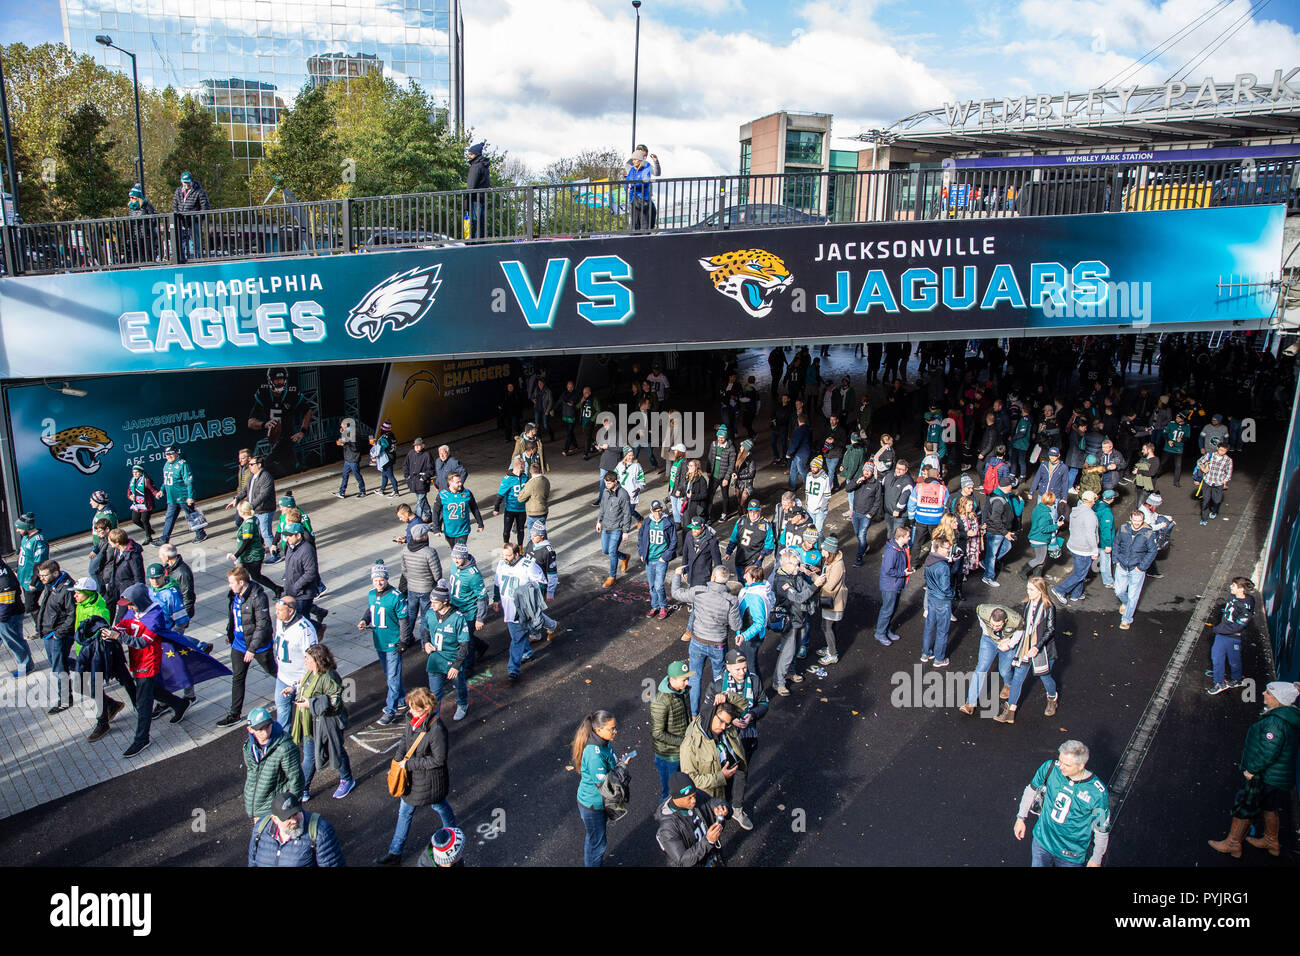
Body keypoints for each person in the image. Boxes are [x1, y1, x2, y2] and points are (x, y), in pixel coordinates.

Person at [1208, 681, 1300, 858]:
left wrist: (1252, 769)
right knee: (1269, 807)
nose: (1264, 693)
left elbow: (1268, 752)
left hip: (1266, 776)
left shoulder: (1275, 723)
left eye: (1269, 693)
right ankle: (1271, 842)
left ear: (1278, 699)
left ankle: (1233, 844)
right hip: (1278, 777)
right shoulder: (1289, 716)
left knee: (1245, 806)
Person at [109, 583, 193, 756]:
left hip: (148, 662)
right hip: (137, 660)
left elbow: (142, 642)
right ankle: (179, 704)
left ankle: (141, 739)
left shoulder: (154, 615)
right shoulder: (136, 610)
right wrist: (115, 629)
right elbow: (125, 624)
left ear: (139, 601)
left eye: (131, 604)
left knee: (143, 701)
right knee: (151, 690)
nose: (129, 608)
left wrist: (119, 636)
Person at [376, 686, 456, 865]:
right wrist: (396, 763)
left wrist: (408, 764)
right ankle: (395, 851)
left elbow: (438, 760)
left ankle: (452, 835)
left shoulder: (437, 729)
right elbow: (405, 741)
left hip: (429, 782)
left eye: (414, 708)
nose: (410, 711)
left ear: (426, 709)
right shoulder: (413, 720)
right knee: (411, 811)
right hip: (415, 780)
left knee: (438, 807)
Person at [1013, 739, 1111, 866]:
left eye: (1067, 765)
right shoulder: (1050, 767)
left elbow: (1101, 828)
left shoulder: (1097, 792)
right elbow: (1031, 790)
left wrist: (1096, 858)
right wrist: (1020, 817)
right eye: (1060, 761)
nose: (1061, 767)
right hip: (1042, 843)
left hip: (1070, 855)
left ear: (1081, 765)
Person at [672, 565, 741, 714]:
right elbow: (736, 625)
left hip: (698, 641)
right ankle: (718, 712)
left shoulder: (699, 591)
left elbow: (676, 593)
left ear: (713, 578)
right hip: (718, 645)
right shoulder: (731, 600)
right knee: (719, 677)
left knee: (694, 678)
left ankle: (694, 714)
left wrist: (677, 575)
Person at [293, 643, 354, 800]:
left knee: (335, 750)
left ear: (318, 661)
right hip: (311, 724)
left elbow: (335, 702)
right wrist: (293, 690)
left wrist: (311, 704)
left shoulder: (329, 677)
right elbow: (305, 688)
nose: (305, 661)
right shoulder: (310, 673)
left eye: (308, 658)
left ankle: (347, 779)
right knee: (310, 756)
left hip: (327, 723)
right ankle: (303, 788)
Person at [217, 566, 276, 728]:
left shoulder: (258, 597)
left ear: (241, 582)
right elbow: (234, 617)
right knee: (238, 677)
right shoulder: (234, 595)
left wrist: (252, 649)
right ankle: (234, 713)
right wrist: (231, 634)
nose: (229, 586)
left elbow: (262, 624)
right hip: (239, 644)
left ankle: (293, 685)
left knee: (271, 670)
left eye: (231, 583)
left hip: (258, 646)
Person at [995, 577, 1059, 723]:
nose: (1028, 592)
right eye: (1028, 588)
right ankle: (1010, 710)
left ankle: (1052, 698)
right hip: (1025, 647)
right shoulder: (1028, 604)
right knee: (1017, 678)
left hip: (1042, 650)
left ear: (1040, 590)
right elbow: (1023, 627)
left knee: (1045, 677)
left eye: (1031, 589)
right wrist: (1011, 641)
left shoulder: (1049, 607)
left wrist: (1037, 647)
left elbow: (1050, 630)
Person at [680, 696, 750, 828]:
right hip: (707, 798)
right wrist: (721, 777)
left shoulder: (723, 725)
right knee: (709, 830)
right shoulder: (691, 744)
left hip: (724, 789)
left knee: (720, 823)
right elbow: (690, 780)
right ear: (712, 713)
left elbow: (743, 704)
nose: (723, 727)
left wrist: (726, 696)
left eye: (727, 724)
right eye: (721, 721)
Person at [492, 541, 553, 683]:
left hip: (521, 610)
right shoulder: (502, 564)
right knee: (517, 634)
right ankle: (527, 653)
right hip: (508, 609)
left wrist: (534, 599)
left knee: (516, 639)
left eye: (508, 555)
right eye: (504, 555)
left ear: (516, 554)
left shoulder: (528, 565)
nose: (505, 558)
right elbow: (496, 583)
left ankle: (513, 669)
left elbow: (542, 582)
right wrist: (496, 599)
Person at [359, 561, 411, 726]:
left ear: (387, 579)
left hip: (392, 643)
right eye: (375, 580)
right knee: (390, 675)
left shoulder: (396, 597)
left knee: (393, 676)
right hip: (379, 641)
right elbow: (371, 609)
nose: (378, 582)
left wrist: (404, 640)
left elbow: (404, 620)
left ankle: (391, 710)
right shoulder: (372, 594)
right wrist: (364, 619)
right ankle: (402, 699)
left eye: (381, 579)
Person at [572, 709, 620, 867]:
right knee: (597, 844)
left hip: (598, 802)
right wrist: (622, 771)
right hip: (593, 805)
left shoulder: (604, 742)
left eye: (614, 727)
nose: (615, 731)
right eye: (611, 729)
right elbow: (605, 785)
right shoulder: (594, 754)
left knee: (595, 838)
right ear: (598, 730)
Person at [248, 791, 345, 867]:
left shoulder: (320, 832)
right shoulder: (261, 827)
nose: (294, 821)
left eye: (296, 814)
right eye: (288, 818)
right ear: (274, 819)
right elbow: (252, 862)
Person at [772, 548, 821, 696]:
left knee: (796, 648)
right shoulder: (782, 581)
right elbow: (799, 597)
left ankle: (791, 672)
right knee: (787, 652)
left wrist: (813, 579)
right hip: (790, 620)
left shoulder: (796, 575)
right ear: (785, 565)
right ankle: (778, 682)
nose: (798, 567)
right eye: (795, 564)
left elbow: (807, 591)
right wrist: (815, 585)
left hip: (801, 616)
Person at [243, 706, 305, 819]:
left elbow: (296, 779)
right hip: (256, 809)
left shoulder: (285, 748)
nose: (265, 733)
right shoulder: (248, 747)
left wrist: (291, 809)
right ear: (250, 729)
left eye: (268, 726)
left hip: (277, 810)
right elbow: (251, 772)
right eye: (260, 729)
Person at [960, 603, 1022, 715]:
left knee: (1004, 670)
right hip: (989, 640)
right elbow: (979, 615)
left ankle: (1008, 684)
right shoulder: (982, 610)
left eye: (998, 626)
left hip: (1006, 642)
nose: (994, 627)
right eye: (992, 624)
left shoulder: (1016, 620)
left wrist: (1010, 644)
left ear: (1005, 621)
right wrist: (986, 631)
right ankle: (970, 703)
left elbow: (1021, 630)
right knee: (981, 668)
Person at [656, 771, 728, 867]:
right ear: (676, 798)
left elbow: (712, 801)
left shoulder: (695, 795)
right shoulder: (668, 828)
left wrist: (722, 808)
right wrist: (708, 841)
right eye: (689, 798)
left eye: (694, 795)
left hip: (711, 856)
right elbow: (682, 860)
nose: (694, 800)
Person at [424, 582, 471, 721]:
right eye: (431, 601)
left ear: (445, 602)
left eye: (435, 602)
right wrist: (426, 643)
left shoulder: (457, 618)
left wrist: (456, 666)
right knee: (435, 693)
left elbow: (464, 644)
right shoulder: (430, 614)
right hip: (435, 658)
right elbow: (426, 630)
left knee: (459, 685)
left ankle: (462, 704)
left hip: (452, 657)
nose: (432, 605)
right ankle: (434, 721)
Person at [34, 561, 77, 713]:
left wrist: (58, 634)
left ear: (55, 573)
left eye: (44, 575)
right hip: (48, 633)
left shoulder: (66, 590)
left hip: (58, 635)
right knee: (57, 662)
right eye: (40, 575)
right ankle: (85, 667)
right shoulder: (51, 584)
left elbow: (72, 616)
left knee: (58, 668)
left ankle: (65, 699)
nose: (41, 578)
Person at [271, 595, 317, 730]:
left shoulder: (304, 630)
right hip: (283, 677)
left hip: (300, 680)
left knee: (305, 719)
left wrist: (303, 682)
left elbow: (313, 660)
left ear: (290, 611)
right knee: (282, 715)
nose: (276, 613)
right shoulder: (280, 621)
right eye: (276, 610)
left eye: (280, 610)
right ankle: (284, 746)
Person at [650, 661, 694, 801]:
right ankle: (667, 819)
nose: (686, 683)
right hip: (669, 756)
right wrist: (683, 742)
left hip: (681, 751)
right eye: (683, 680)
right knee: (670, 793)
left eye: (687, 679)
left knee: (683, 788)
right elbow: (657, 733)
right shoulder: (660, 702)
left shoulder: (681, 691)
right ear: (672, 679)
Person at [1205, 577, 1256, 696]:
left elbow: (1238, 627)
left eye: (1233, 585)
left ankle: (1237, 679)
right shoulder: (1233, 596)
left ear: (1241, 589)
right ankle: (1219, 683)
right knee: (1216, 657)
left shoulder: (1246, 607)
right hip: (1222, 634)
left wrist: (1218, 628)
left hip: (1233, 637)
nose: (1230, 587)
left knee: (1234, 660)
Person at [1112, 509, 1158, 631]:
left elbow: (1152, 551)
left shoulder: (1148, 533)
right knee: (1119, 591)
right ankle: (1126, 604)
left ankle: (1126, 620)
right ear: (1130, 519)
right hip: (1121, 565)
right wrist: (1116, 560)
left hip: (1136, 569)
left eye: (1140, 521)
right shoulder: (1123, 528)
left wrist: (1141, 567)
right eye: (1135, 520)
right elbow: (1116, 543)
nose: (1137, 523)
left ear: (1143, 521)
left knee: (1133, 596)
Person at [1051, 490, 1098, 604]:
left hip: (1074, 544)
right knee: (1080, 574)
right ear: (1092, 501)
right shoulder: (1091, 516)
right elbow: (1090, 535)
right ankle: (1059, 590)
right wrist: (1094, 550)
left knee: (1081, 571)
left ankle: (1076, 594)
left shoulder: (1075, 511)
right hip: (1084, 549)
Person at [230, 501, 282, 597]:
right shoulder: (253, 519)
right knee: (249, 576)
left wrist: (236, 555)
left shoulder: (248, 524)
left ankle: (272, 589)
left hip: (252, 556)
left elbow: (246, 541)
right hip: (250, 554)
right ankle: (274, 589)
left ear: (242, 512)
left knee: (251, 576)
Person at [158, 445, 208, 545]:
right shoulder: (167, 464)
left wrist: (190, 496)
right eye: (167, 454)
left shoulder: (183, 464)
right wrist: (161, 490)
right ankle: (164, 539)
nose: (169, 456)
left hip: (183, 497)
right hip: (172, 498)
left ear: (176, 453)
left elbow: (189, 482)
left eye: (171, 453)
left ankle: (201, 534)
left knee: (192, 515)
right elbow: (166, 480)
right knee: (169, 517)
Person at [281, 522, 325, 628]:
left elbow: (311, 572)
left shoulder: (307, 550)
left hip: (303, 593)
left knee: (301, 620)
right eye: (286, 535)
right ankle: (318, 623)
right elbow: (289, 565)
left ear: (298, 535)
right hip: (292, 590)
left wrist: (296, 586)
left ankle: (318, 628)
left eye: (290, 535)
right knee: (298, 618)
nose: (287, 538)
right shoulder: (290, 547)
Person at [639, 501, 678, 619]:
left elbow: (674, 541)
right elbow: (640, 538)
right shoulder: (647, 522)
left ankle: (663, 606)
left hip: (661, 559)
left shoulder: (668, 523)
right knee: (651, 586)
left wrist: (664, 557)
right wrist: (641, 552)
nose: (658, 513)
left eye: (660, 510)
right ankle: (655, 606)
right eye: (655, 511)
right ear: (651, 511)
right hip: (649, 559)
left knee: (659, 585)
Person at [919, 538, 955, 668]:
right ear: (938, 548)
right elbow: (945, 587)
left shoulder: (929, 560)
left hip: (932, 597)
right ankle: (939, 658)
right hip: (942, 601)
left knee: (929, 626)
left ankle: (926, 653)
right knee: (942, 631)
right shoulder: (943, 566)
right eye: (946, 548)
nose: (949, 550)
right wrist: (953, 594)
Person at [874, 525, 912, 646]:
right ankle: (880, 633)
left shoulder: (900, 548)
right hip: (890, 585)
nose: (909, 538)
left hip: (896, 584)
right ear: (901, 537)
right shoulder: (892, 551)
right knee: (887, 610)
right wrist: (903, 573)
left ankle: (886, 629)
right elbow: (888, 570)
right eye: (908, 536)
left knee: (892, 609)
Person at [981, 476, 1022, 587]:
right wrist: (1005, 533)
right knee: (992, 555)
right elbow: (995, 519)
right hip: (996, 532)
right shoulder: (999, 500)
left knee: (1006, 547)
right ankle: (988, 576)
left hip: (1000, 530)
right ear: (1008, 487)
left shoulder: (1001, 494)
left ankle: (986, 563)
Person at [596, 472, 634, 589]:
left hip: (617, 528)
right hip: (606, 526)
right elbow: (602, 506)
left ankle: (612, 576)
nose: (606, 485)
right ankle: (624, 557)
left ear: (615, 482)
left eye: (609, 483)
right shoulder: (606, 492)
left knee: (612, 552)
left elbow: (627, 514)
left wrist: (625, 530)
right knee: (606, 550)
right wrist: (599, 521)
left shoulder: (623, 494)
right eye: (605, 483)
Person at [234, 455, 277, 556]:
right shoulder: (253, 476)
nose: (249, 466)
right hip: (256, 510)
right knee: (259, 533)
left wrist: (250, 506)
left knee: (266, 533)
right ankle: (265, 550)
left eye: (252, 464)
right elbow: (245, 489)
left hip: (264, 510)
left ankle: (275, 555)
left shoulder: (265, 477)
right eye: (249, 464)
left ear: (259, 465)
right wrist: (237, 498)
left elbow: (263, 495)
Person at [430, 471, 484, 550]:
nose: (460, 484)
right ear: (450, 483)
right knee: (454, 551)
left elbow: (474, 508)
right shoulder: (442, 495)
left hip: (463, 530)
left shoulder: (467, 493)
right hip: (449, 531)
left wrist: (480, 523)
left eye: (460, 481)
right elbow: (436, 512)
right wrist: (436, 528)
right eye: (457, 482)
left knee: (459, 552)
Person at [0, 557, 34, 678]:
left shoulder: (3, 577)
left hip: (8, 616)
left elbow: (7, 602)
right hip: (4, 614)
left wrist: (1, 619)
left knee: (14, 641)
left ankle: (26, 666)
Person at [817, 536, 847, 666]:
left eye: (824, 550)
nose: (822, 552)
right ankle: (830, 647)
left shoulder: (838, 565)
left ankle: (832, 654)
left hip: (833, 602)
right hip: (829, 600)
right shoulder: (829, 561)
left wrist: (815, 580)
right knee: (826, 626)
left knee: (828, 627)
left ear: (830, 551)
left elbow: (830, 586)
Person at [847, 462, 883, 567]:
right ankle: (865, 546)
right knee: (858, 534)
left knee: (862, 535)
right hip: (855, 513)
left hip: (866, 515)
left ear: (872, 472)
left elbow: (878, 500)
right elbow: (848, 489)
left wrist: (871, 514)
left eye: (869, 471)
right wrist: (856, 483)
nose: (866, 472)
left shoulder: (876, 484)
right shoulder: (859, 480)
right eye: (865, 470)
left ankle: (859, 557)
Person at [725, 498, 774, 572]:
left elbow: (769, 545)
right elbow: (734, 537)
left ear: (760, 511)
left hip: (754, 561)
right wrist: (729, 552)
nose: (753, 514)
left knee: (752, 582)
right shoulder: (741, 520)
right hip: (740, 559)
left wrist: (760, 557)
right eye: (750, 511)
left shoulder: (766, 525)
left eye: (755, 511)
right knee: (741, 580)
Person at [172, 171, 211, 263]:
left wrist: (196, 218)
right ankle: (182, 261)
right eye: (185, 182)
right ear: (181, 182)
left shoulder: (199, 192)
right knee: (181, 243)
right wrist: (178, 216)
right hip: (181, 222)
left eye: (188, 182)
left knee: (195, 243)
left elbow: (205, 208)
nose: (187, 185)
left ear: (192, 181)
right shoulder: (178, 191)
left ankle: (197, 261)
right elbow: (175, 205)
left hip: (193, 222)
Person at [494, 455, 529, 548]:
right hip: (510, 509)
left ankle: (520, 547)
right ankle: (505, 546)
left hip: (522, 509)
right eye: (524, 466)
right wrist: (496, 508)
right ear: (520, 466)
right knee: (507, 530)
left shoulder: (525, 477)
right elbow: (500, 494)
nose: (525, 468)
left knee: (521, 529)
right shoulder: (507, 479)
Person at [1196, 443, 1233, 525]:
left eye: (1224, 451)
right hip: (1207, 481)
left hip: (1218, 483)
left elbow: (1228, 473)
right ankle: (1204, 518)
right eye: (1221, 450)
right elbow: (1199, 461)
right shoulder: (1210, 455)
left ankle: (1214, 511)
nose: (1222, 452)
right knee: (1205, 500)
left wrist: (1224, 481)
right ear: (1217, 448)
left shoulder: (1228, 460)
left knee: (1217, 500)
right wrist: (1203, 468)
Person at [625, 147, 659, 233]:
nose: (633, 161)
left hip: (643, 199)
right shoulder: (632, 169)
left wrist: (632, 186)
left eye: (635, 160)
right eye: (633, 159)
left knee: (644, 223)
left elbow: (644, 181)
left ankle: (645, 236)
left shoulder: (646, 167)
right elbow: (626, 182)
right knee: (634, 224)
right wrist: (627, 188)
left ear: (639, 160)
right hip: (633, 199)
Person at [404, 437, 435, 523]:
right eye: (415, 445)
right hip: (413, 482)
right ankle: (429, 515)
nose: (417, 447)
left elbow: (431, 470)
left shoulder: (427, 455)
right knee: (422, 499)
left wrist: (424, 477)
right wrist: (407, 476)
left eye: (419, 445)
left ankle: (416, 519)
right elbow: (405, 465)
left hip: (422, 483)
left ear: (423, 446)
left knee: (419, 501)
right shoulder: (411, 453)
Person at [126, 463, 160, 543]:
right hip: (137, 504)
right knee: (135, 520)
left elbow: (153, 490)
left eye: (137, 472)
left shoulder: (146, 480)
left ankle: (148, 537)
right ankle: (149, 530)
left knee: (145, 520)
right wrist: (130, 496)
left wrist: (157, 494)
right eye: (134, 472)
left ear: (141, 472)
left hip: (146, 504)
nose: (135, 474)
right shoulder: (132, 480)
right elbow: (129, 491)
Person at [615, 446, 647, 526]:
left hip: (633, 492)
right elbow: (615, 477)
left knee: (630, 511)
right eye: (629, 455)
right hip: (622, 492)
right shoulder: (620, 465)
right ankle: (624, 526)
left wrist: (639, 489)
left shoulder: (637, 466)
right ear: (625, 455)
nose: (631, 457)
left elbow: (641, 480)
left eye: (632, 455)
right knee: (623, 510)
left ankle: (639, 519)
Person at [334, 422, 367, 498]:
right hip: (348, 459)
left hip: (353, 459)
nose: (340, 426)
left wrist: (344, 443)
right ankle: (341, 492)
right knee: (344, 475)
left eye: (342, 425)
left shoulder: (354, 435)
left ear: (346, 426)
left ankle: (362, 491)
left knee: (357, 475)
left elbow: (355, 448)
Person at [466, 141, 490, 239]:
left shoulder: (475, 167)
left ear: (475, 154)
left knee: (475, 222)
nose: (469, 156)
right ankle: (482, 241)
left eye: (471, 154)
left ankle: (475, 243)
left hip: (475, 199)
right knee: (481, 223)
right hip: (482, 198)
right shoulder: (485, 166)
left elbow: (471, 185)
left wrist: (466, 200)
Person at [1160, 411, 1189, 487]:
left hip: (1178, 449)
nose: (1176, 418)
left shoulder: (1187, 426)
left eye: (1178, 418)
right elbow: (1165, 433)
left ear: (1183, 419)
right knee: (1162, 462)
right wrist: (1168, 440)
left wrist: (1182, 439)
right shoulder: (1171, 423)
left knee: (1178, 465)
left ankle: (1176, 482)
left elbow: (1187, 437)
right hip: (1168, 448)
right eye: (1176, 417)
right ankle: (1155, 475)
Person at [370, 421, 398, 496]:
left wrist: (373, 452)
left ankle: (396, 491)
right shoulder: (392, 435)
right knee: (384, 474)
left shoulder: (384, 437)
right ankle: (382, 489)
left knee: (390, 475)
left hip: (386, 459)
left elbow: (380, 449)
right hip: (392, 456)